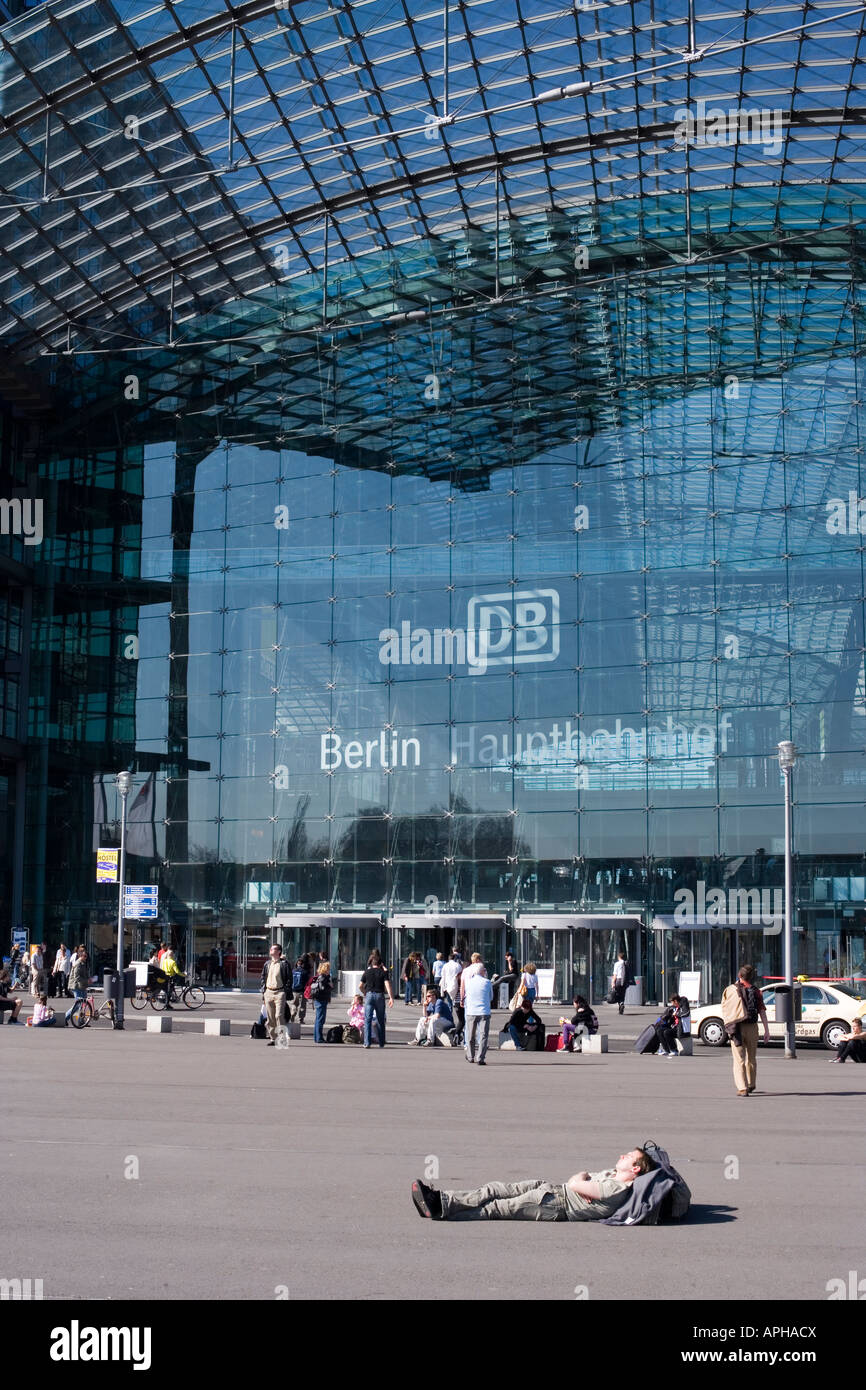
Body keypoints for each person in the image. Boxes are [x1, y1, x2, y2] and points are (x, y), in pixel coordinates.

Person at [411, 1148, 653, 1222]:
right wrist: (582, 1180)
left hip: (554, 1204)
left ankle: (442, 1213)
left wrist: (581, 1182)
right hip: (551, 1190)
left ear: (635, 1169)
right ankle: (442, 1200)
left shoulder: (616, 1188)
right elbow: (581, 1176)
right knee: (493, 1189)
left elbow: (576, 1181)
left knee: (496, 1208)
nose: (622, 1155)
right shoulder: (611, 1174)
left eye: (628, 1156)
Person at [723, 964, 770, 1095]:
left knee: (739, 1059)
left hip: (736, 1027)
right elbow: (762, 1011)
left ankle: (742, 1088)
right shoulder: (756, 991)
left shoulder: (730, 990)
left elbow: (725, 1008)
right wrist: (766, 1030)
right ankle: (751, 1083)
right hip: (753, 1027)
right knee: (752, 1058)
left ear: (739, 976)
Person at [260, 944, 293, 1046]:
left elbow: (289, 979)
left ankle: (282, 1038)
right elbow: (263, 977)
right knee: (270, 1018)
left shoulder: (284, 964)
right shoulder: (267, 964)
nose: (271, 949)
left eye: (273, 948)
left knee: (279, 1015)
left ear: (279, 952)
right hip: (268, 992)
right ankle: (273, 1038)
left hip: (280, 992)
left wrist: (285, 990)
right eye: (271, 948)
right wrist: (264, 991)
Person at [360, 949, 394, 1048]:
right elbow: (387, 985)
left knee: (368, 1019)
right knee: (380, 1019)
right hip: (380, 995)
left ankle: (367, 1043)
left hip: (370, 995)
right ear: (380, 964)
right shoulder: (383, 972)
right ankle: (381, 1042)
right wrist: (391, 998)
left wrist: (365, 992)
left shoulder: (367, 972)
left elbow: (360, 985)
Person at [464, 961, 493, 1064]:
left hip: (471, 1011)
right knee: (483, 1035)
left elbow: (467, 995)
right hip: (484, 1011)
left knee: (470, 1035)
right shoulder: (487, 982)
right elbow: (491, 997)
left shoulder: (468, 982)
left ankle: (470, 1056)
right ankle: (480, 1058)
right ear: (482, 971)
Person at [439, 951, 464, 1037]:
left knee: (449, 1004)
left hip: (447, 986)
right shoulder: (458, 965)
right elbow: (461, 976)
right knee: (455, 1004)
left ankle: (450, 1020)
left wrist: (444, 987)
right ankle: (455, 1022)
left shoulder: (445, 965)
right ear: (455, 958)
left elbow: (443, 976)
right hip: (455, 987)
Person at [654, 993, 682, 1058]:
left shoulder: (681, 1008)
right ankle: (666, 1050)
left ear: (675, 1001)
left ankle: (674, 1050)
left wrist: (676, 1014)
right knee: (659, 1031)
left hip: (679, 1028)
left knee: (667, 1032)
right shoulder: (672, 1008)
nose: (672, 1003)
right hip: (673, 1027)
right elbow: (665, 1017)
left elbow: (681, 1016)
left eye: (672, 1002)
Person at [311, 961, 333, 1043]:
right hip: (321, 1000)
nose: (329, 970)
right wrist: (330, 986)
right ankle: (319, 1038)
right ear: (325, 969)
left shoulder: (319, 976)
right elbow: (323, 988)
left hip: (318, 999)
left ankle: (317, 1037)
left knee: (318, 1019)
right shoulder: (324, 977)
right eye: (328, 968)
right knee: (320, 1019)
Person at [65, 947, 89, 1023]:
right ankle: (65, 1018)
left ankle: (81, 1020)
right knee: (78, 1004)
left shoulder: (83, 963)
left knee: (83, 1004)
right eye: (84, 956)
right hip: (76, 986)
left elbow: (83, 975)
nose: (86, 957)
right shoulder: (78, 963)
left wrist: (88, 979)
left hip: (81, 985)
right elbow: (77, 977)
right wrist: (87, 981)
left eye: (86, 956)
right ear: (80, 956)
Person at [289, 953, 314, 1023]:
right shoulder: (305, 972)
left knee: (294, 1004)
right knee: (302, 1005)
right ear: (302, 964)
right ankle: (301, 1019)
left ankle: (292, 1014)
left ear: (297, 964)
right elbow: (308, 982)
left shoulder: (293, 971)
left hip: (294, 990)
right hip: (302, 991)